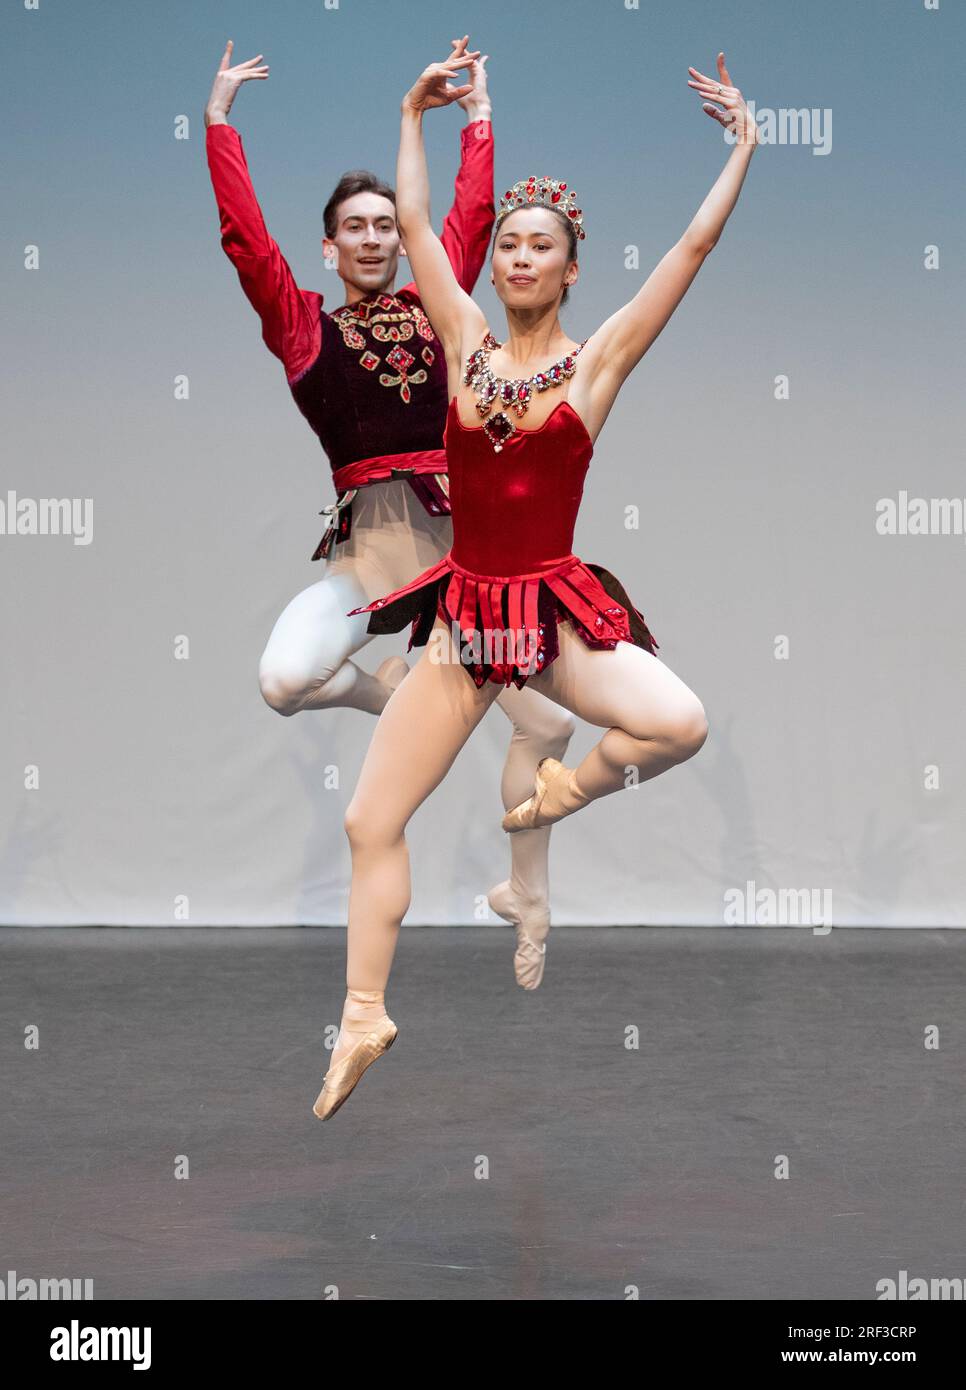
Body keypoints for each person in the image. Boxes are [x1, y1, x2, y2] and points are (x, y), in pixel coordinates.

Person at [313, 47, 760, 1120]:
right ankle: (365, 1011)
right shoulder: (461, 339)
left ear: (569, 270)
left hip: (550, 610)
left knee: (680, 720)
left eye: (538, 247)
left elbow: (692, 251)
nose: (515, 258)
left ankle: (564, 792)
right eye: (507, 244)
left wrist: (744, 147)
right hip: (464, 620)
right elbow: (419, 227)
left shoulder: (597, 362)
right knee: (370, 823)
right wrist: (413, 113)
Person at [204, 38, 576, 991]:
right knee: (284, 680)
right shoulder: (303, 333)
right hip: (369, 567)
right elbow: (248, 248)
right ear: (328, 249)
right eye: (355, 229)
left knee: (548, 729)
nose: (374, 238)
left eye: (383, 224)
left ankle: (525, 893)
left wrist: (476, 119)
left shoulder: (439, 310)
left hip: (457, 565)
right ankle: (393, 698)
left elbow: (466, 215)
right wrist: (218, 130)